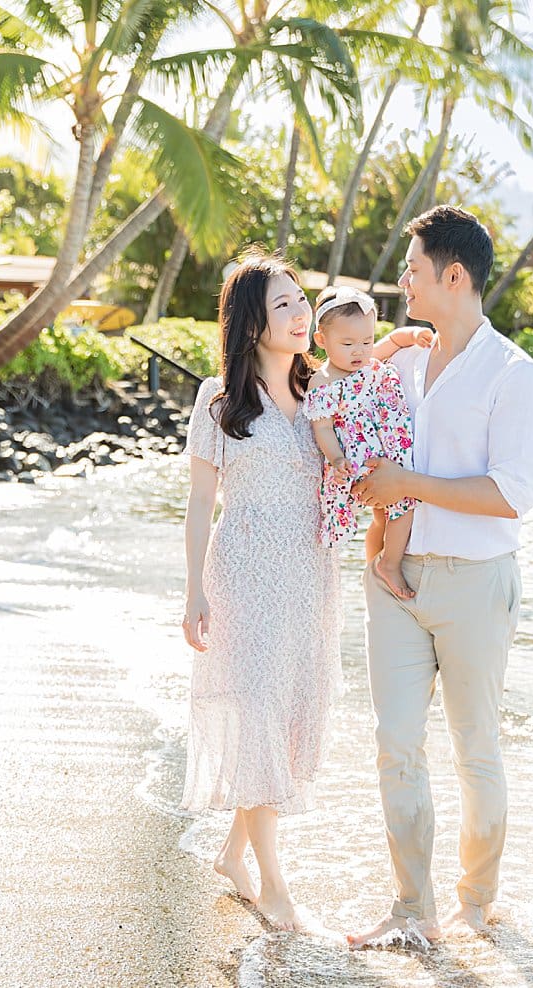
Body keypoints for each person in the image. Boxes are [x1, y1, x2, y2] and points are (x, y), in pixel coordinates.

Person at [345, 206, 533, 946]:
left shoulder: (516, 376)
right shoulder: (396, 362)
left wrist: (411, 479)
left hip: (475, 582)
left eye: (413, 269)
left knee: (476, 749)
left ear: (454, 276)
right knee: (396, 742)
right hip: (392, 580)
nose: (403, 282)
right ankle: (413, 910)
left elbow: (511, 494)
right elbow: (335, 386)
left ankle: (475, 903)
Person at [178, 251, 340, 932]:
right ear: (250, 324)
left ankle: (233, 857)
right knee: (259, 716)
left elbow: (376, 367)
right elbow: (198, 503)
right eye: (284, 305)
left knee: (291, 719)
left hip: (310, 578)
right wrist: (193, 592)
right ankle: (275, 887)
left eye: (302, 301)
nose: (302, 314)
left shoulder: (326, 395)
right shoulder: (218, 401)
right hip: (244, 575)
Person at [304, 286, 432, 599]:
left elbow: (395, 340)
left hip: (388, 450)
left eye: (366, 341)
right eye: (347, 344)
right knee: (393, 507)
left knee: (393, 511)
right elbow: (323, 429)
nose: (359, 351)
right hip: (357, 460)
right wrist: (336, 460)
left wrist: (415, 335)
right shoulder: (323, 381)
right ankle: (386, 563)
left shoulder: (368, 362)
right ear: (322, 340)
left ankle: (380, 564)